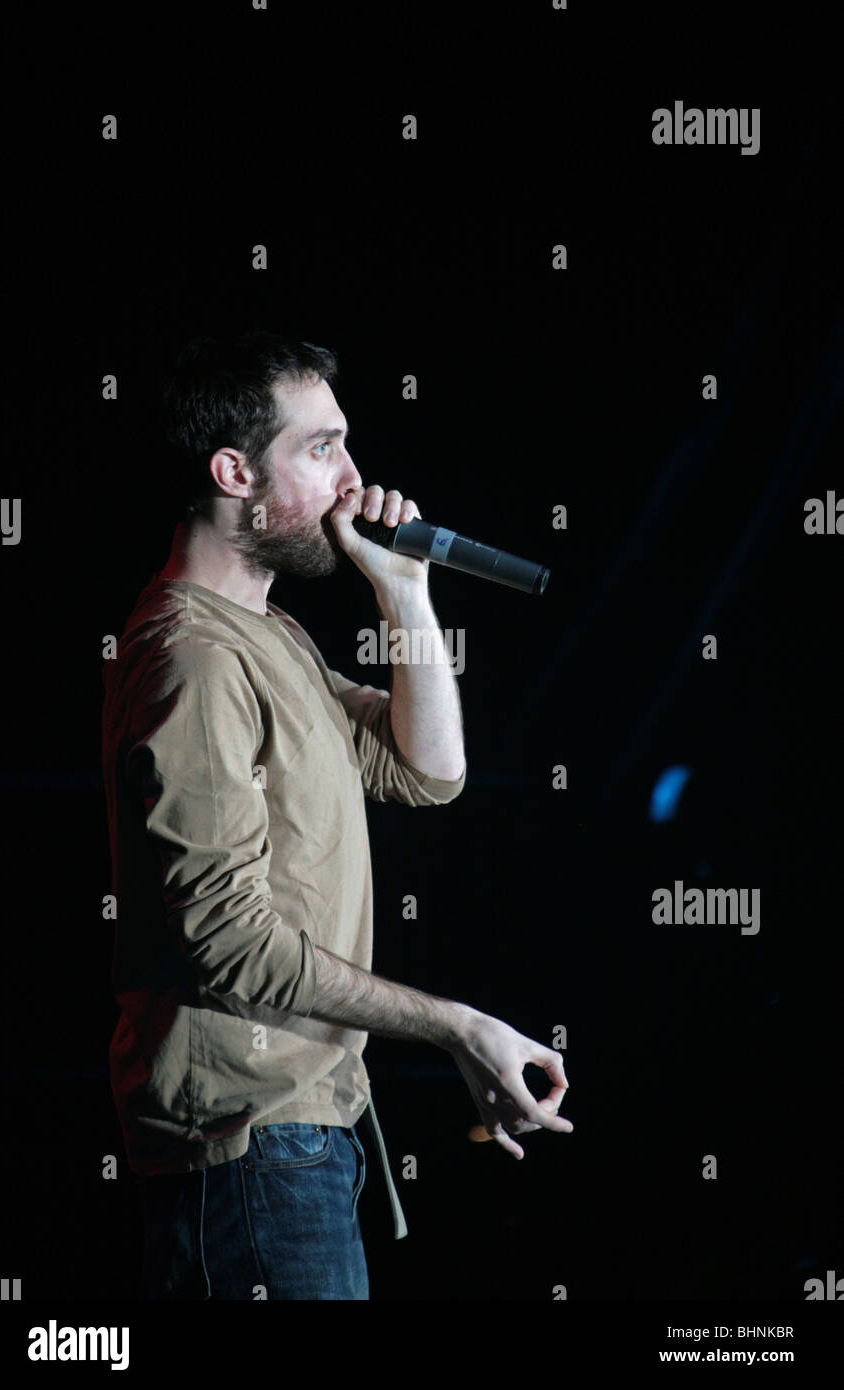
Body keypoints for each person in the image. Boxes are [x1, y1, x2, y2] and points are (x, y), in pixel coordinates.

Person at [101, 330, 573, 1301]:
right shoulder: (191, 656)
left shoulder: (271, 635)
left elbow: (425, 772)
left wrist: (403, 591)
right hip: (243, 1150)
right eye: (321, 449)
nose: (356, 478)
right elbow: (226, 943)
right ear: (233, 471)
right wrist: (453, 1024)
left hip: (300, 1141)